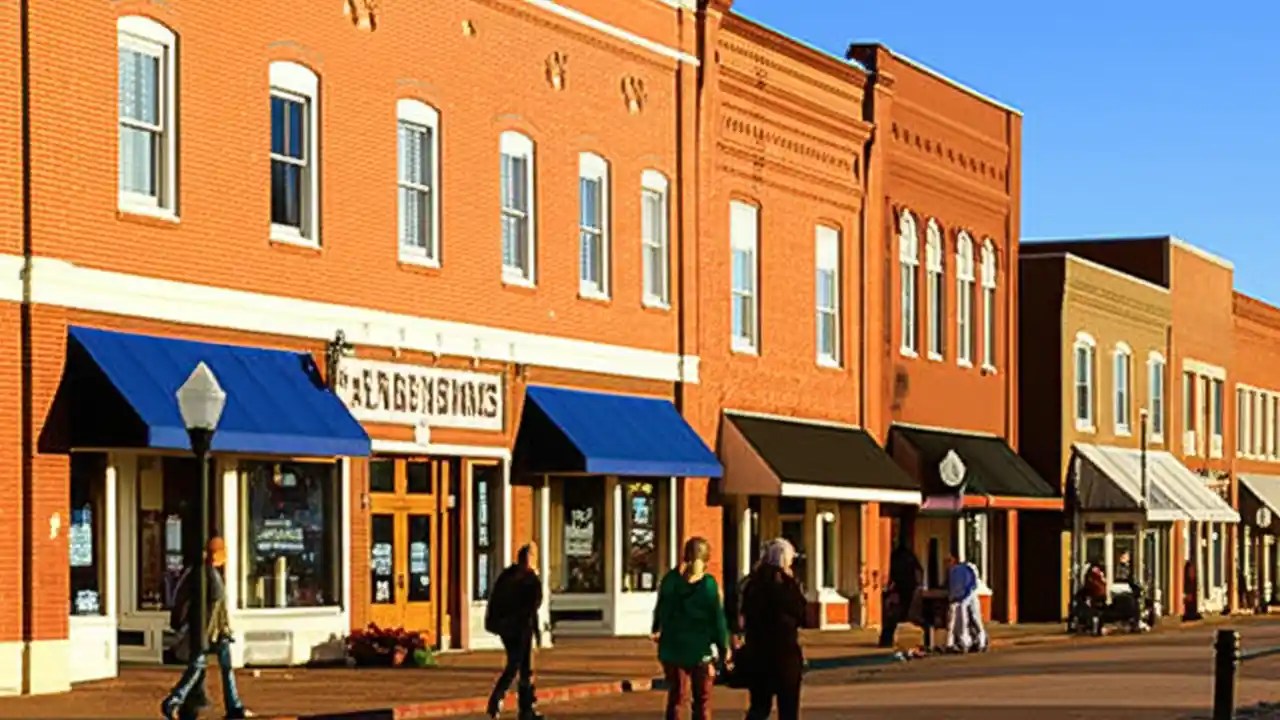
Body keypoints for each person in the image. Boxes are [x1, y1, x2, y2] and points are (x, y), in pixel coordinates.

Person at [161, 536, 250, 720]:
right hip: (210, 630)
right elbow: (215, 604)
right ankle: (174, 701)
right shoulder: (207, 573)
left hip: (214, 630)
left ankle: (232, 705)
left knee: (210, 666)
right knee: (202, 666)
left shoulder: (205, 572)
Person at [652, 537, 731, 720]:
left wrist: (657, 628)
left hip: (673, 648)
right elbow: (717, 619)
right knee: (702, 700)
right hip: (700, 649)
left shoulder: (670, 581)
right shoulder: (709, 586)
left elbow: (661, 609)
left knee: (677, 697)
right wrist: (724, 647)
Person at [740, 538, 807, 720]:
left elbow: (744, 615)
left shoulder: (752, 583)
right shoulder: (786, 584)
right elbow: (802, 614)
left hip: (758, 652)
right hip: (784, 655)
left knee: (759, 706)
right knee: (788, 709)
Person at [485, 543, 545, 720]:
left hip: (520, 628)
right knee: (517, 665)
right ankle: (499, 700)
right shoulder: (513, 579)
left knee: (523, 667)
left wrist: (536, 630)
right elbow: (498, 604)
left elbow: (533, 607)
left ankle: (524, 708)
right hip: (512, 628)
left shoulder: (523, 579)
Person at [879, 541, 923, 648]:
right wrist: (918, 584)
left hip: (898, 587)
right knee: (902, 614)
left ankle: (886, 640)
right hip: (907, 587)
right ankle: (889, 639)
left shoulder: (895, 557)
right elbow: (919, 570)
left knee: (892, 617)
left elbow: (892, 573)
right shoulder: (910, 558)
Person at [945, 555, 987, 653]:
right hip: (966, 595)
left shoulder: (959, 570)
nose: (947, 564)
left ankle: (968, 642)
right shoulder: (962, 569)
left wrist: (957, 596)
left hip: (964, 596)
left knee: (963, 620)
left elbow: (962, 585)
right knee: (972, 619)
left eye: (948, 561)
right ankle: (976, 641)